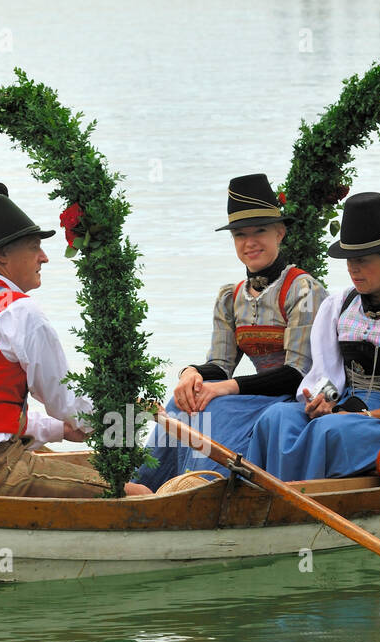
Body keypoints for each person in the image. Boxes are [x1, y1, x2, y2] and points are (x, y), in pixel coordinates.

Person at [0, 183, 150, 497]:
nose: (45, 257)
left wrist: (59, 430)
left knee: (92, 470)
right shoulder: (18, 310)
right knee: (138, 493)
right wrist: (122, 414)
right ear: (4, 254)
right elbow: (66, 402)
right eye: (35, 246)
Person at [246, 191, 380, 481]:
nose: (352, 268)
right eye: (348, 259)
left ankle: (302, 502)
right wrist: (325, 400)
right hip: (346, 410)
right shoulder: (339, 306)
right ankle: (262, 497)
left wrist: (365, 417)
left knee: (329, 430)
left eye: (362, 260)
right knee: (275, 418)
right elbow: (329, 377)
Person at [133, 173, 326, 491]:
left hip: (295, 399)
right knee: (181, 402)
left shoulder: (303, 290)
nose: (249, 243)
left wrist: (224, 388)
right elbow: (220, 366)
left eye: (260, 231)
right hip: (256, 394)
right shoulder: (230, 296)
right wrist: (191, 373)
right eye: (240, 234)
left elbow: (298, 373)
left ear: (280, 232)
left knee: (216, 405)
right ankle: (148, 485)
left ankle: (200, 488)